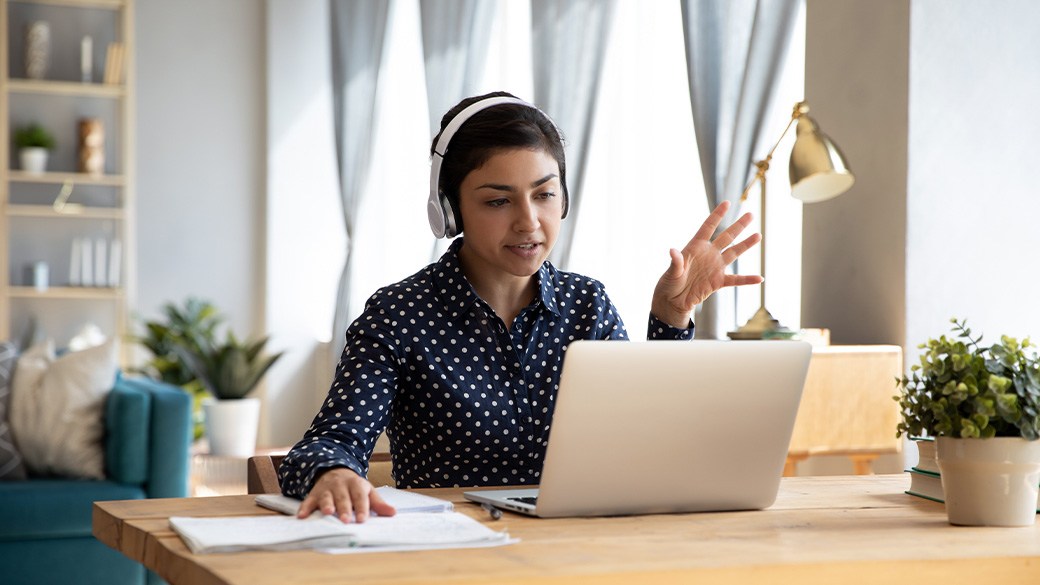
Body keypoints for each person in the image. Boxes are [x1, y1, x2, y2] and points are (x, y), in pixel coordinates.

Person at [278, 91, 762, 523]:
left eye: (545, 194)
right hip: (451, 555)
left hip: (579, 551)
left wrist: (671, 319)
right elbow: (326, 444)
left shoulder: (586, 305)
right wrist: (334, 473)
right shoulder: (399, 314)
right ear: (449, 210)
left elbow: (653, 440)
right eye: (497, 202)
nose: (529, 222)